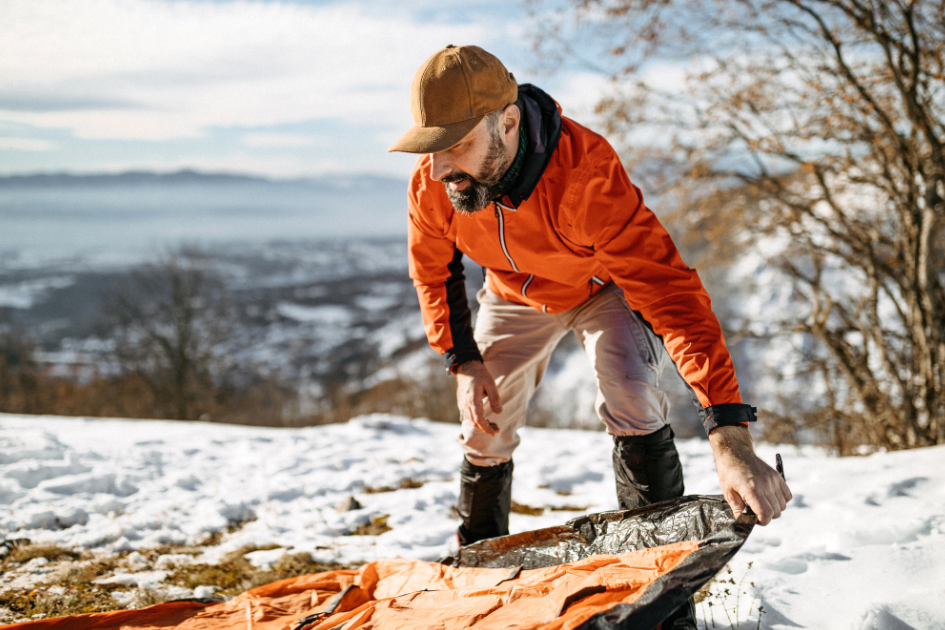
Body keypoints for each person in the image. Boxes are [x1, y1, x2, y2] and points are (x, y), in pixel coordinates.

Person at [388, 44, 792, 627]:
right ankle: (474, 576)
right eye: (430, 147)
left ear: (507, 123)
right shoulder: (435, 182)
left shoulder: (586, 175)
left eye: (455, 146)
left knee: (629, 392)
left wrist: (729, 438)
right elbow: (433, 270)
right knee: (484, 424)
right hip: (512, 295)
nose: (437, 169)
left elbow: (673, 298)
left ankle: (660, 585)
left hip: (601, 289)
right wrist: (464, 361)